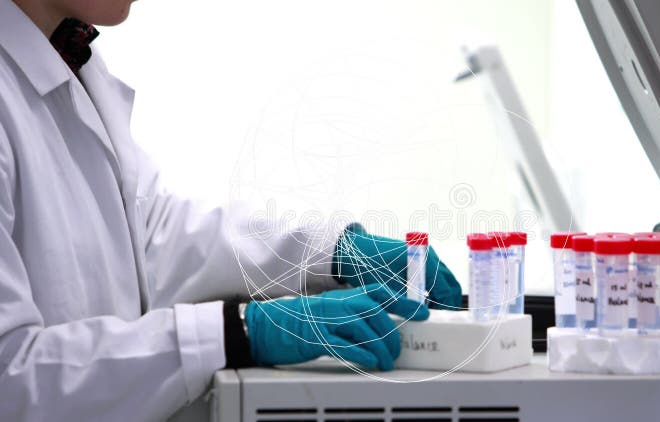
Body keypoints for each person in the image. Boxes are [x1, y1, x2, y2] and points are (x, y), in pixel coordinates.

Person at [0, 0, 462, 420]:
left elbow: (147, 234)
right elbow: (10, 379)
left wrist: (326, 253)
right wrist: (236, 333)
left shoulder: (70, 54)